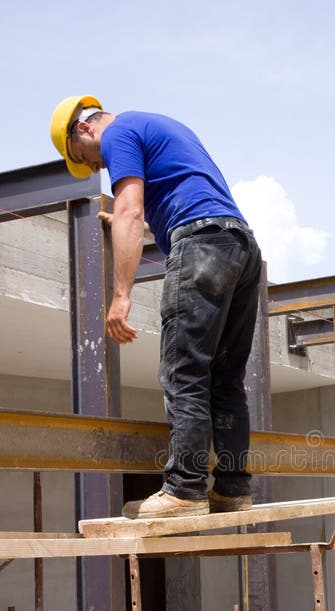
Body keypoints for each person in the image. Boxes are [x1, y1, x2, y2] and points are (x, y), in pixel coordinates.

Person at [50, 95, 262, 519]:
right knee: (225, 378)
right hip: (241, 247)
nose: (95, 167)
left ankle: (184, 490)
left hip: (201, 246)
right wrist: (128, 222)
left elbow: (129, 208)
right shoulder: (158, 126)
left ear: (84, 129)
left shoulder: (119, 133)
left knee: (183, 371)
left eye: (86, 159)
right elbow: (163, 205)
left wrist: (121, 296)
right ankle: (233, 489)